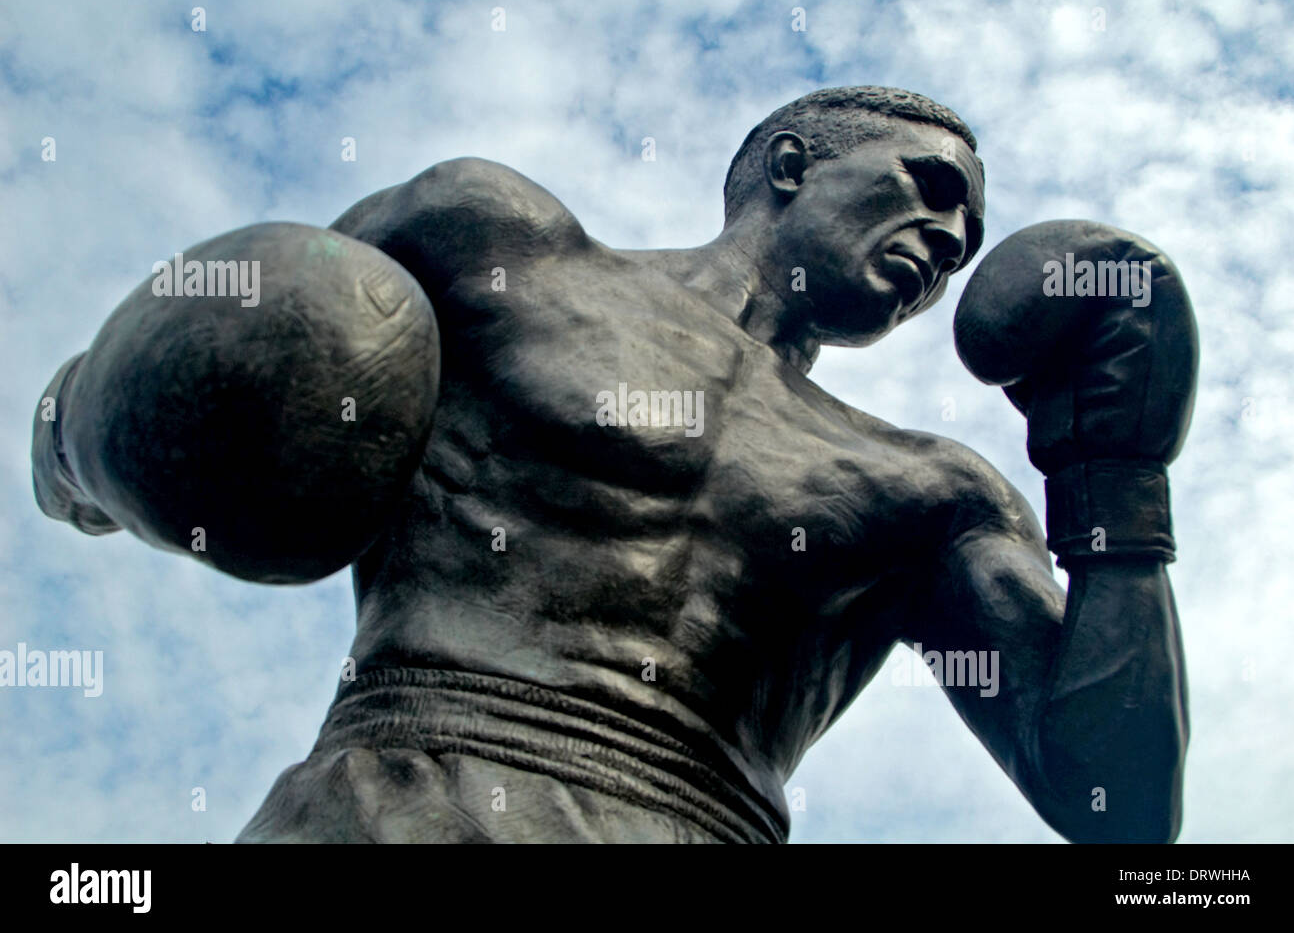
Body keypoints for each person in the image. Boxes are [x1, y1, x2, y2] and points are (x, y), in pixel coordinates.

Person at [33, 86, 1191, 843]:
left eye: (969, 240)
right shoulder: (497, 244)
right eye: (932, 190)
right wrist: (86, 432)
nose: (946, 243)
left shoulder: (929, 490)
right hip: (402, 799)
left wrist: (1112, 471)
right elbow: (264, 337)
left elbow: (1117, 801)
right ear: (790, 165)